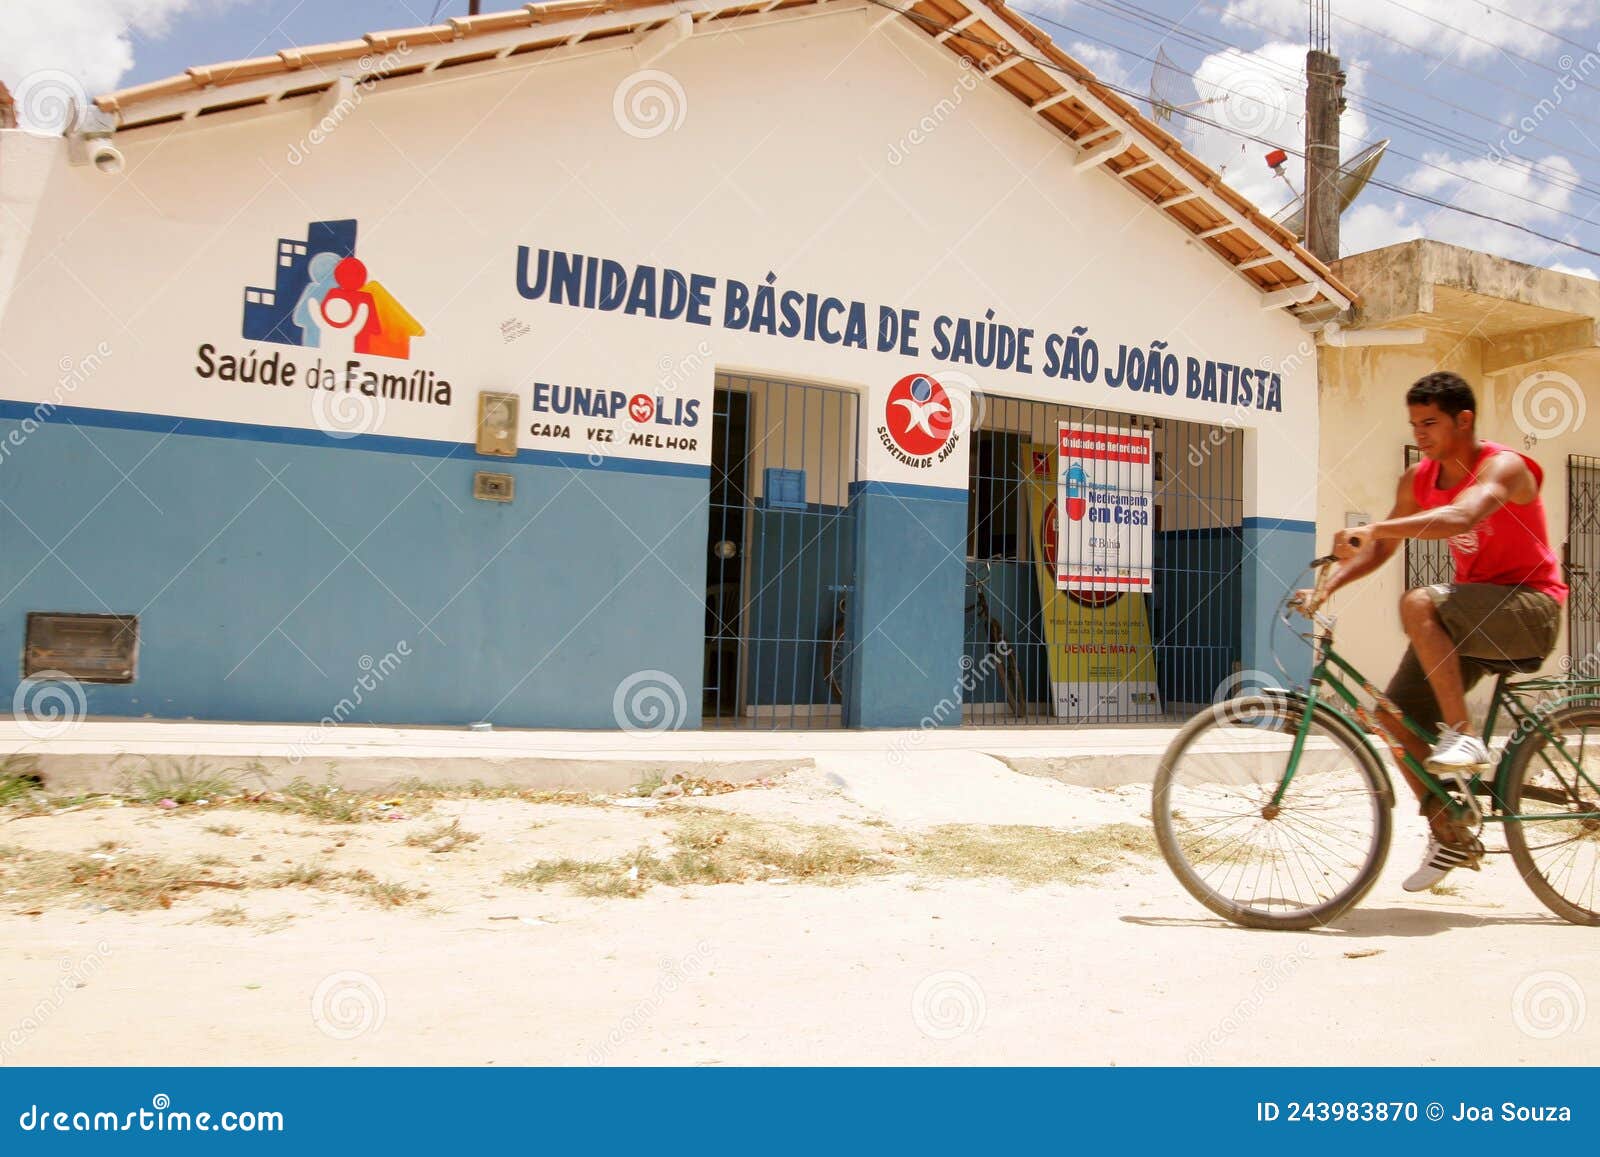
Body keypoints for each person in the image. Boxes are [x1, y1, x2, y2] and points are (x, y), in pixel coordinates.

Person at [1296, 371, 1567, 891]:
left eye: (1430, 423)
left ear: (1463, 420)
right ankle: (1450, 831)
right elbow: (1380, 548)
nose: (1419, 434)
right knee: (1392, 717)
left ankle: (1463, 736)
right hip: (1475, 619)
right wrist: (1328, 588)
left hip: (1530, 609)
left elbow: (1462, 517)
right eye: (1414, 424)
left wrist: (1375, 526)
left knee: (1419, 601)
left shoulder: (1505, 467)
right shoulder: (1417, 480)